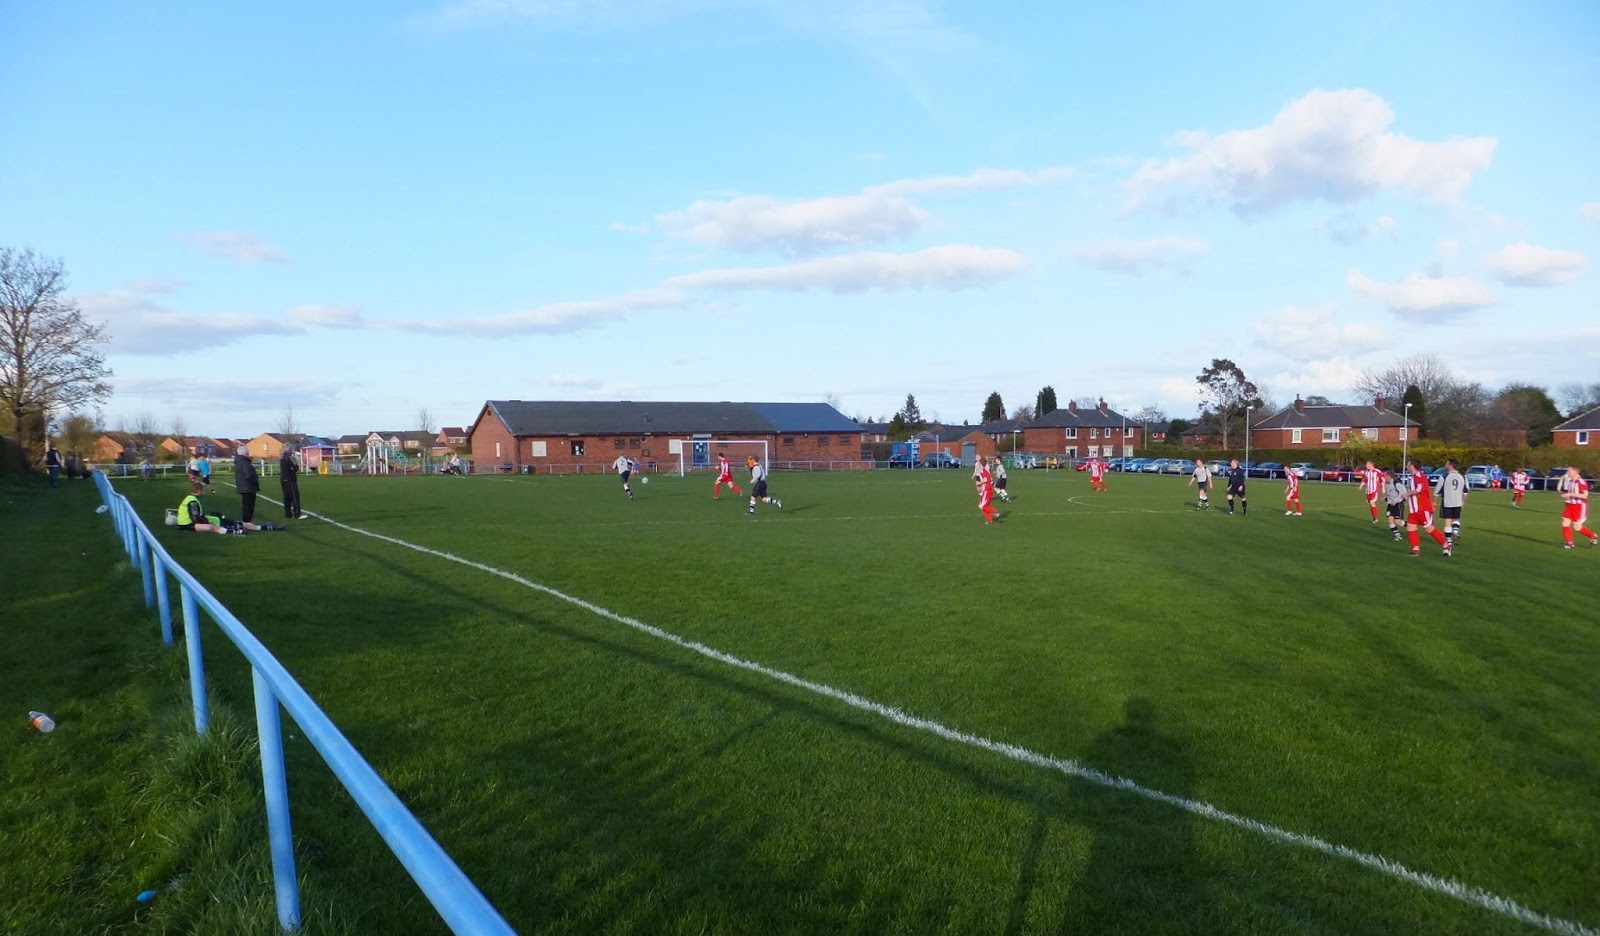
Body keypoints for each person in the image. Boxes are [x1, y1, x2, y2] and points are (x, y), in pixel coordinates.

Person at [175, 481, 281, 535]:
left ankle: (264, 527)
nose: (203, 492)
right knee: (228, 524)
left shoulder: (189, 499)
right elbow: (196, 518)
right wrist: (208, 522)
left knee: (227, 521)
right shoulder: (192, 501)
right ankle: (235, 530)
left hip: (187, 524)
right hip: (189, 525)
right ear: (198, 491)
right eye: (202, 490)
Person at [1402, 459, 1450, 557]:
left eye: (1408, 465)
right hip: (1413, 509)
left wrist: (1407, 494)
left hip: (1422, 508)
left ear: (1412, 466)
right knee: (1411, 528)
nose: (1406, 467)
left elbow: (1419, 489)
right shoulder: (1414, 476)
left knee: (1429, 529)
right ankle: (1415, 550)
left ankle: (1446, 546)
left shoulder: (1419, 476)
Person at [1559, 465, 1597, 549]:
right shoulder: (1571, 482)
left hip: (1579, 507)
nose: (1567, 472)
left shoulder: (1581, 482)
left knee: (1577, 527)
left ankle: (1592, 536)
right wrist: (1566, 496)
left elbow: (1584, 496)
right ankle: (1570, 543)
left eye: (1569, 471)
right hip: (1569, 505)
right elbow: (1571, 494)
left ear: (1574, 471)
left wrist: (1570, 494)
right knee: (1565, 522)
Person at [1438, 459, 1467, 543]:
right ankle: (1455, 531)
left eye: (1446, 463)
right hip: (1458, 502)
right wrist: (1463, 502)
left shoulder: (1444, 476)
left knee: (1448, 520)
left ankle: (1449, 541)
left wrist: (1435, 501)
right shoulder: (1462, 476)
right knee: (1456, 519)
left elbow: (1437, 491)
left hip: (1447, 502)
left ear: (1450, 465)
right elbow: (1465, 491)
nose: (1445, 465)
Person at [234, 452, 260, 523]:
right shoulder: (244, 462)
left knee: (246, 505)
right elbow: (248, 475)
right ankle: (247, 522)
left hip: (243, 487)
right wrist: (254, 482)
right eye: (247, 453)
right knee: (249, 506)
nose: (248, 454)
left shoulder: (239, 461)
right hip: (248, 487)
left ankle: (246, 521)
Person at [279, 444, 303, 519]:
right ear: (289, 449)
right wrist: (295, 466)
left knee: (287, 497)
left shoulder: (282, 456)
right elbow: (295, 467)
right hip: (290, 479)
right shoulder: (289, 457)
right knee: (295, 497)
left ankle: (288, 514)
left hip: (283, 479)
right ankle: (297, 514)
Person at [1383, 468, 1407, 542]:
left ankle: (1410, 525)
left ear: (1389, 476)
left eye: (1385, 476)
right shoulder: (1387, 484)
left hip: (1398, 505)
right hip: (1390, 505)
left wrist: (1396, 500)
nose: (1384, 477)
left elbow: (1403, 493)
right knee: (1390, 520)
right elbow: (1390, 494)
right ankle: (1397, 535)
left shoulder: (1397, 484)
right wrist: (1385, 499)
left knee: (1398, 522)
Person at [973, 455, 998, 524]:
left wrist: (979, 483)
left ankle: (995, 511)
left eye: (979, 463)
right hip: (986, 491)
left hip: (987, 490)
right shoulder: (983, 471)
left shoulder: (984, 471)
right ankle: (989, 520)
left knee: (983, 506)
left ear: (980, 464)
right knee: (982, 506)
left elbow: (986, 479)